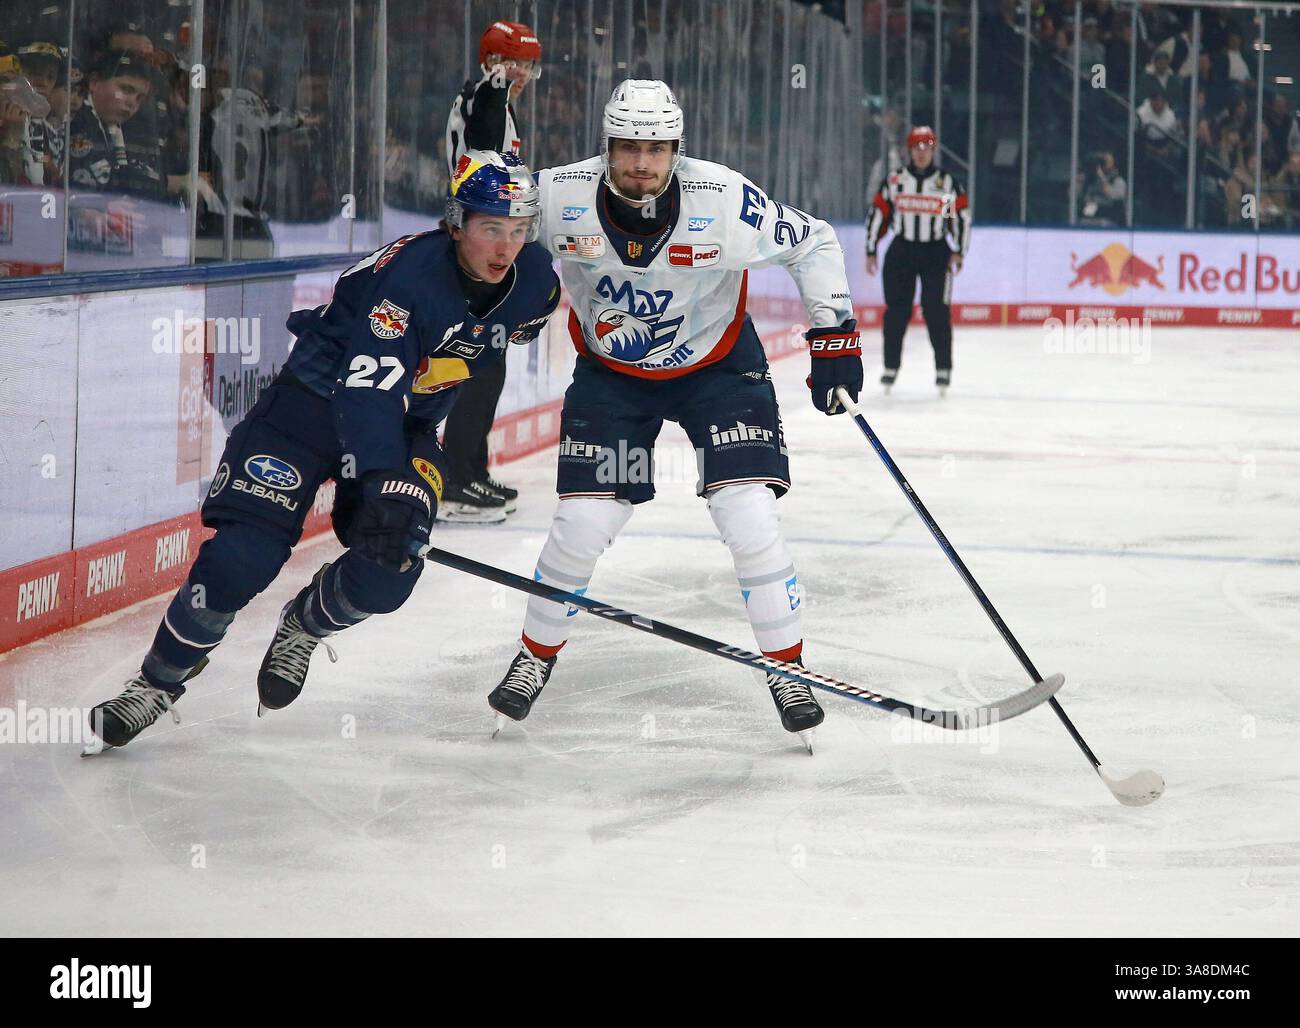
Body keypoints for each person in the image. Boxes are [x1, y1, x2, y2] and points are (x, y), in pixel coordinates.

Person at [85, 151, 561, 752]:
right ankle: (157, 683)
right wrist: (384, 476)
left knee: (390, 567)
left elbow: (464, 359)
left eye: (519, 230)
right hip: (308, 410)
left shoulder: (537, 283)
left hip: (407, 427)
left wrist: (396, 481)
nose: (505, 246)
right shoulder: (409, 278)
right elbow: (368, 390)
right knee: (242, 558)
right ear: (456, 222)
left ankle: (303, 624)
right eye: (491, 227)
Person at [484, 79, 863, 748]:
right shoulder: (559, 195)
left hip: (717, 370)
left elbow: (814, 241)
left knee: (746, 511)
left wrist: (834, 336)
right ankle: (533, 657)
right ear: (607, 147)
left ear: (676, 151)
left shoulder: (724, 202)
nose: (640, 163)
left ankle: (787, 668)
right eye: (628, 147)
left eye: (654, 149)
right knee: (581, 523)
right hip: (613, 376)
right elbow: (483, 220)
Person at [440, 20, 543, 523]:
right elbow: (482, 144)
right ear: (489, 61)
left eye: (526, 65)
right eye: (512, 62)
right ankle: (455, 480)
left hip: (483, 240)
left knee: (488, 366)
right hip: (474, 247)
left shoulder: (491, 98)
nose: (520, 72)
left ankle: (469, 470)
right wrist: (497, 85)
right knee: (477, 368)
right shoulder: (485, 97)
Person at [865, 125, 971, 395]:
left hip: (936, 251)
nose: (922, 153)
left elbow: (961, 218)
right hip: (902, 251)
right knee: (897, 311)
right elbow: (879, 214)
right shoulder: (895, 180)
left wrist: (959, 249)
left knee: (936, 309)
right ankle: (890, 367)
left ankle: (943, 369)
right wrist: (871, 249)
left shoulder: (948, 183)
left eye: (927, 148)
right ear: (909, 150)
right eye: (917, 147)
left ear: (934, 150)